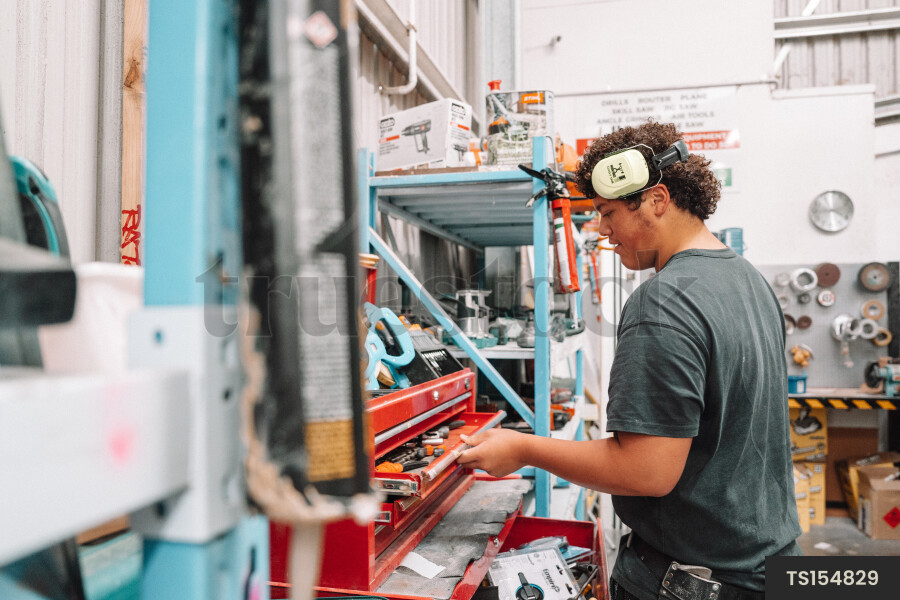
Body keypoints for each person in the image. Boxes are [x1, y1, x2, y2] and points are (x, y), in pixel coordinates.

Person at [457, 120, 801, 600]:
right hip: (766, 563)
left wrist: (522, 448)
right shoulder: (748, 279)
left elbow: (645, 471)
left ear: (657, 200)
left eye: (607, 212)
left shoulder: (663, 302)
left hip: (698, 580)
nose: (602, 230)